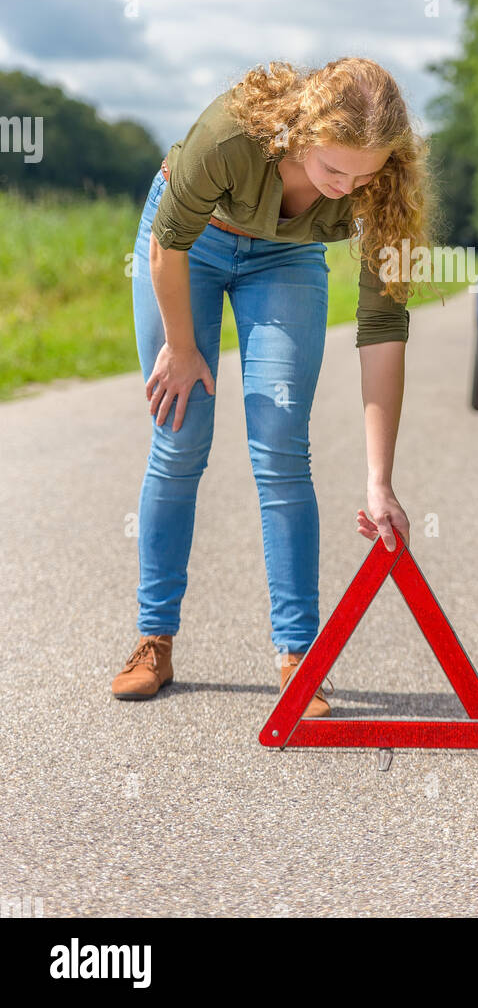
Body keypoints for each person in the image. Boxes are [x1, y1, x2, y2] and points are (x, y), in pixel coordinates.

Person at [112, 57, 434, 713]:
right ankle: (154, 640)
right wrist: (180, 347)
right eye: (333, 170)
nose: (347, 189)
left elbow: (381, 328)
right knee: (179, 438)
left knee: (283, 446)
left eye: (364, 175)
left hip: (285, 260)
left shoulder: (384, 190)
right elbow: (167, 246)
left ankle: (298, 657)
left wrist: (380, 479)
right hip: (190, 244)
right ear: (303, 132)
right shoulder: (230, 134)